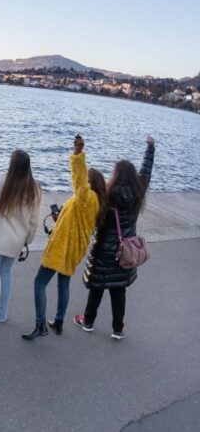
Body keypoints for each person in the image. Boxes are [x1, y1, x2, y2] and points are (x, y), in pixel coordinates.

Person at [21, 135, 106, 340]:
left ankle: (40, 324)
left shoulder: (88, 197)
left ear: (89, 182)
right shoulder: (96, 202)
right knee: (63, 283)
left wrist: (77, 155)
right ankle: (58, 322)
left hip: (63, 247)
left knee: (39, 282)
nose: (82, 182)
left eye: (86, 180)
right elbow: (77, 217)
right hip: (74, 249)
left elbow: (79, 182)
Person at [74, 136, 155, 340]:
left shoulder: (105, 196)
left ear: (115, 176)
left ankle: (88, 321)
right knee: (119, 291)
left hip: (103, 250)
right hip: (125, 251)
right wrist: (150, 148)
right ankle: (118, 329)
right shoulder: (137, 194)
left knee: (97, 287)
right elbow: (146, 172)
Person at [0, 125, 41, 324]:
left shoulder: (3, 183)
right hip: (15, 241)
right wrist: (26, 240)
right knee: (6, 274)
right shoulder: (35, 190)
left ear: (12, 166)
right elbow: (34, 221)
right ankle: (1, 312)